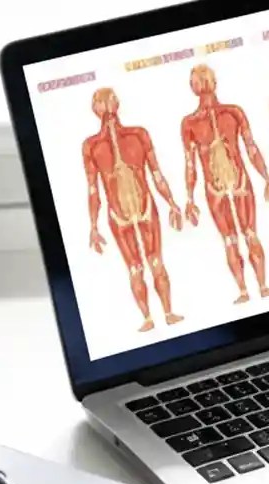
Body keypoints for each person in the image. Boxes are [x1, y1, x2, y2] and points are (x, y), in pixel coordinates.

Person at [83, 87, 185, 332]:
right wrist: (93, 226)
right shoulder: (94, 145)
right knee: (139, 266)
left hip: (142, 206)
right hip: (122, 213)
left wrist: (171, 203)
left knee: (151, 262)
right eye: (104, 103)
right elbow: (93, 189)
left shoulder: (136, 135)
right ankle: (153, 316)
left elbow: (156, 172)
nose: (107, 107)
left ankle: (163, 313)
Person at [181, 64, 269, 305]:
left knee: (232, 239)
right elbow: (251, 147)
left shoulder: (192, 122)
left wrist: (190, 198)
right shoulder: (231, 113)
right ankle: (260, 287)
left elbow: (191, 164)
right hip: (237, 181)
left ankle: (247, 290)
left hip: (219, 186)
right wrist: (267, 178)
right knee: (248, 234)